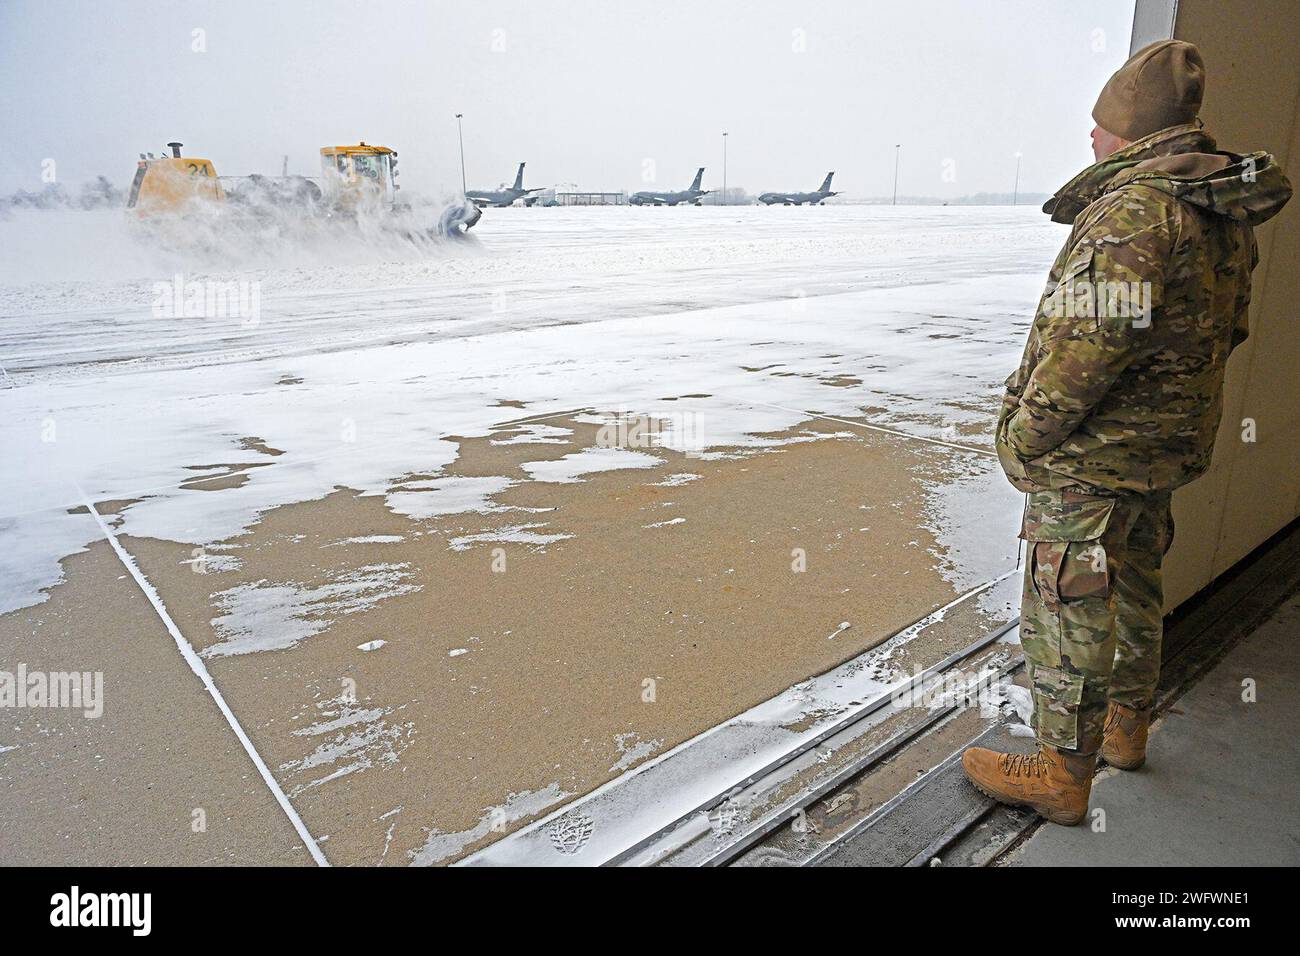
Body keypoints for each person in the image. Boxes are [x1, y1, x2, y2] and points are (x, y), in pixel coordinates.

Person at [961, 39, 1292, 825]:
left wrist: (1024, 438)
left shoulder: (1136, 211)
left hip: (1093, 466)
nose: (1091, 138)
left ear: (1133, 134)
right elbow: (1228, 330)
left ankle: (1059, 775)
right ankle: (1124, 730)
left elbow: (1083, 354)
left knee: (1068, 609)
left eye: (1101, 126)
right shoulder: (1217, 211)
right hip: (1161, 456)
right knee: (1137, 595)